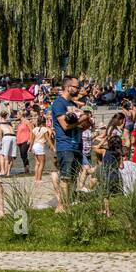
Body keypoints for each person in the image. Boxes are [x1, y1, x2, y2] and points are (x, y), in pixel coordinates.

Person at [50, 75, 93, 212]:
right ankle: (62, 206)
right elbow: (65, 126)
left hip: (77, 145)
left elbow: (80, 127)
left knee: (73, 178)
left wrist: (87, 122)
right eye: (76, 87)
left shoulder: (74, 105)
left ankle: (68, 204)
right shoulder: (59, 103)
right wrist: (82, 119)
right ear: (68, 87)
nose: (79, 89)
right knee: (66, 177)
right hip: (65, 145)